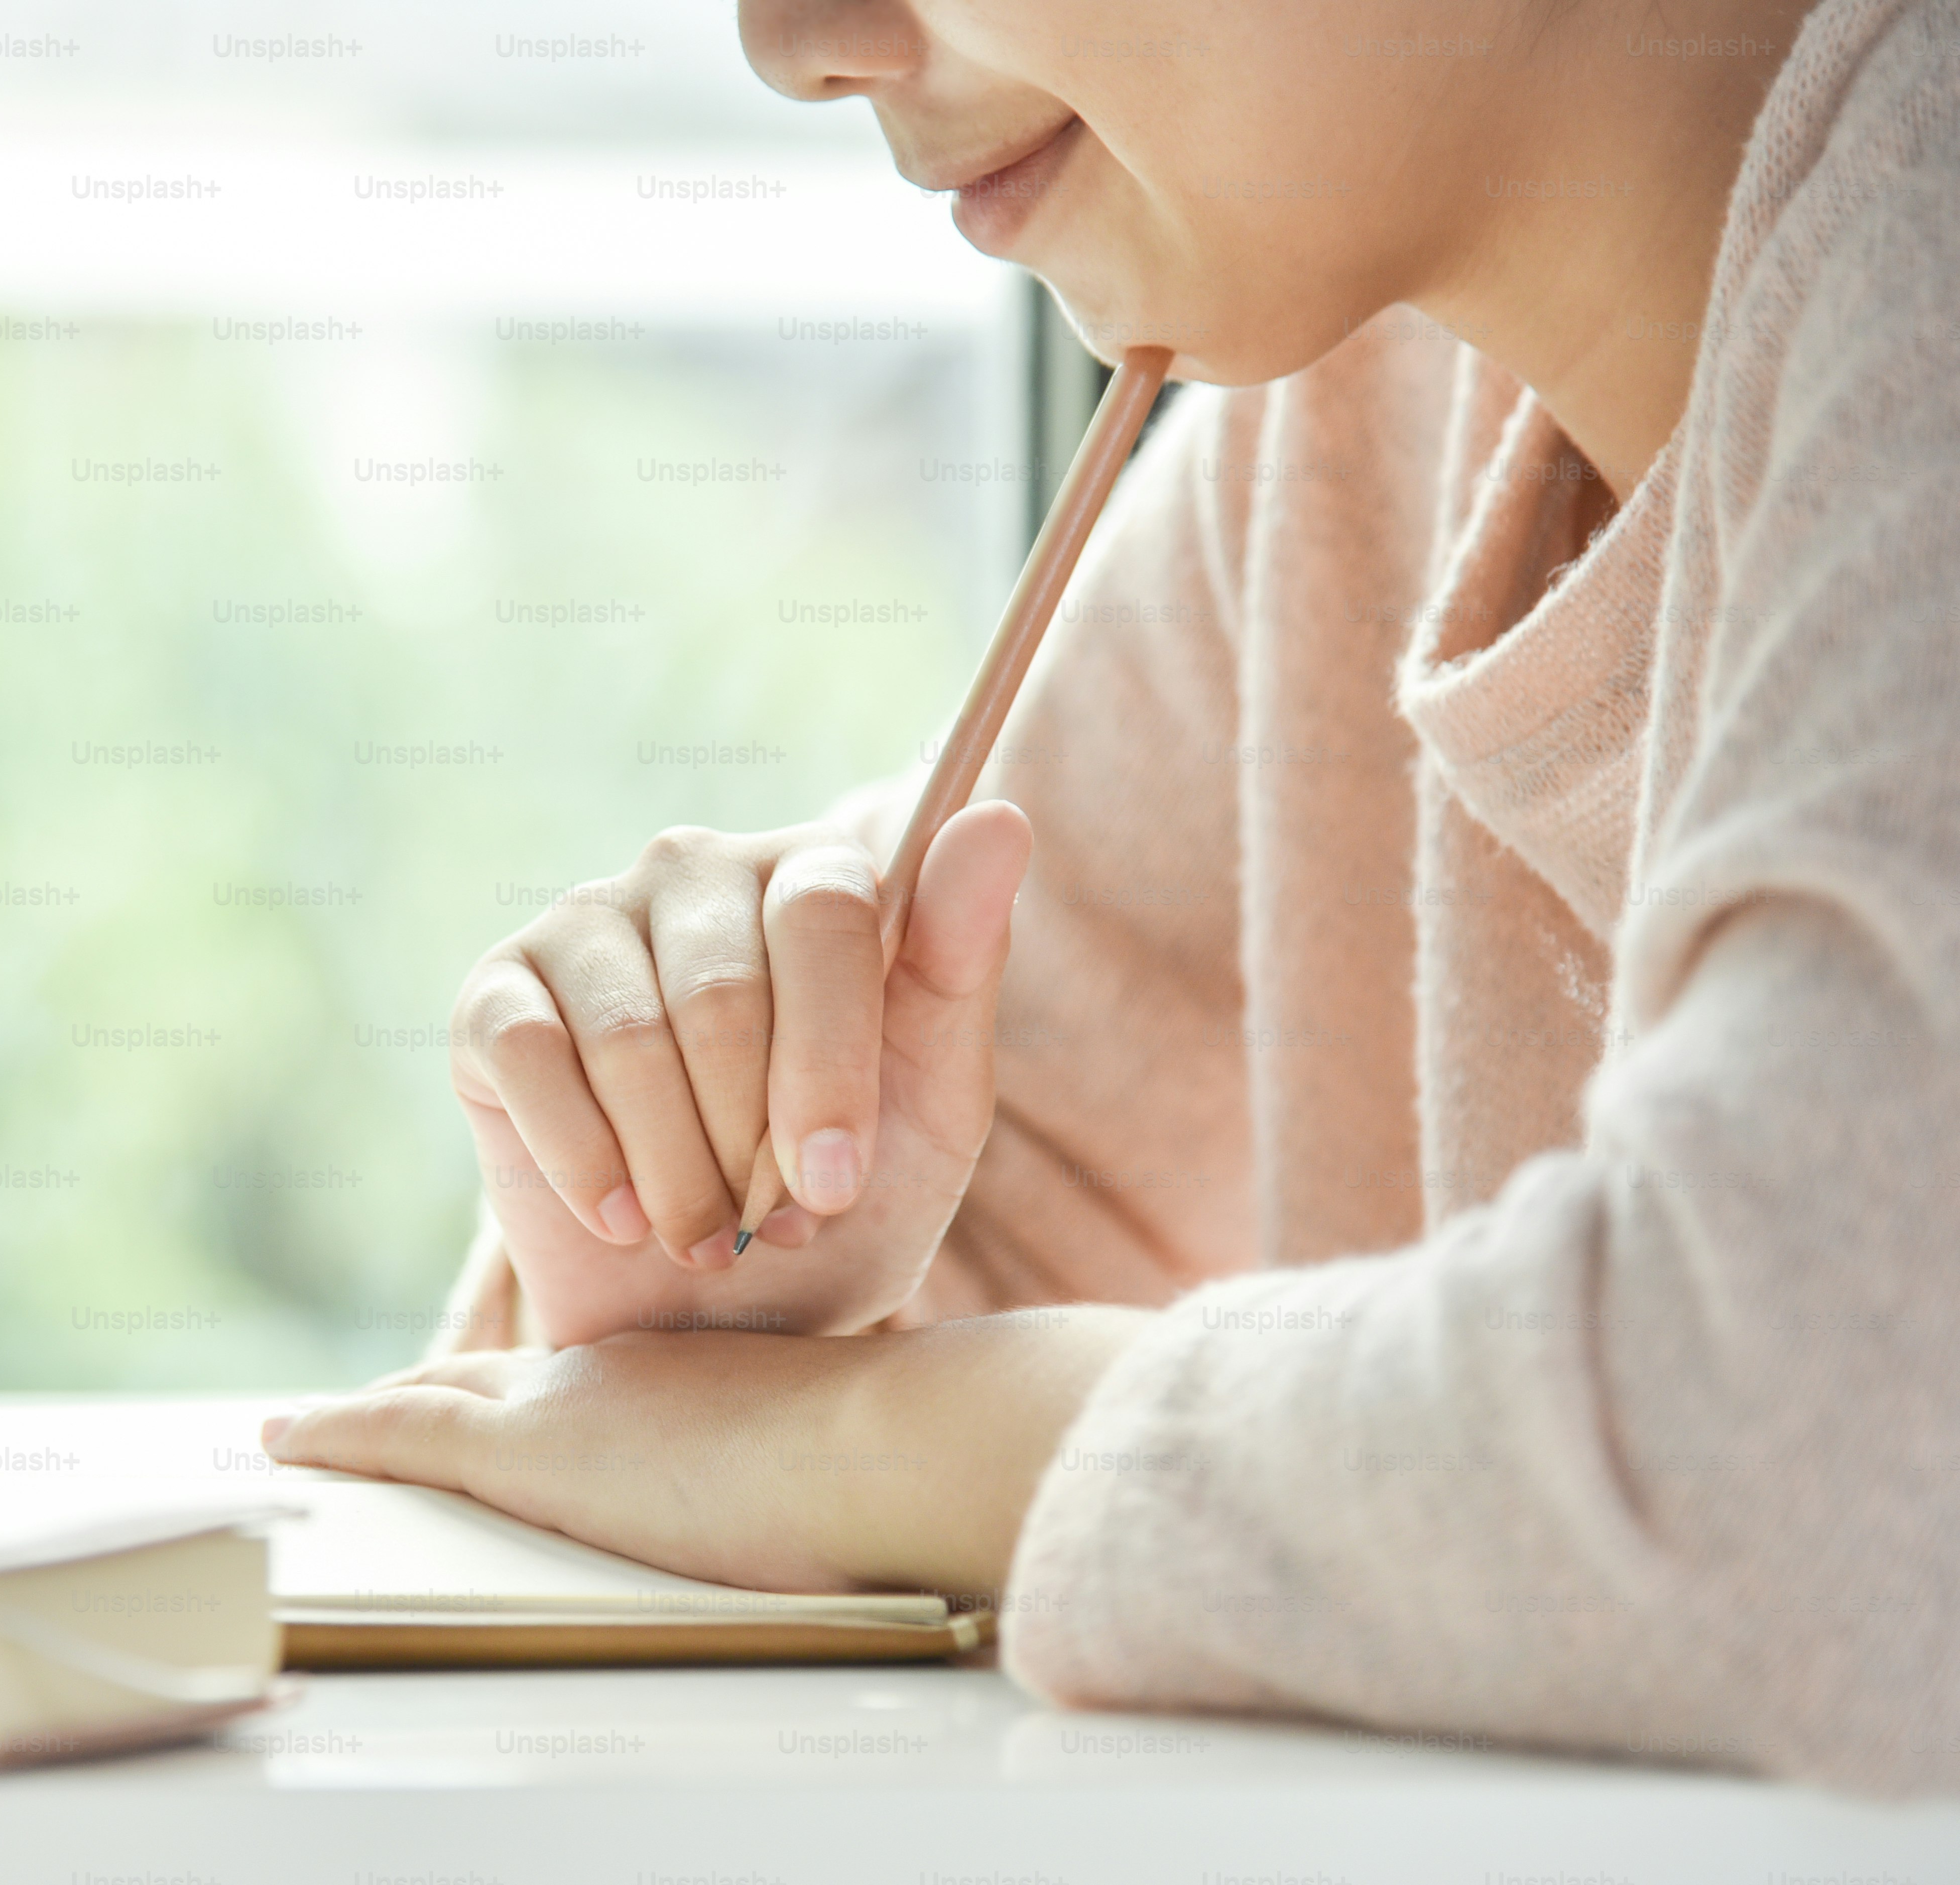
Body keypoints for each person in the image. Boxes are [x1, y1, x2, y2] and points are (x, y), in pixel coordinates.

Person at [264, 0, 1960, 1791]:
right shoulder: (1363, 425)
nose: (794, 42)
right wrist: (727, 1259)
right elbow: (723, 1412)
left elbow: (1816, 1451)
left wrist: (861, 1443)